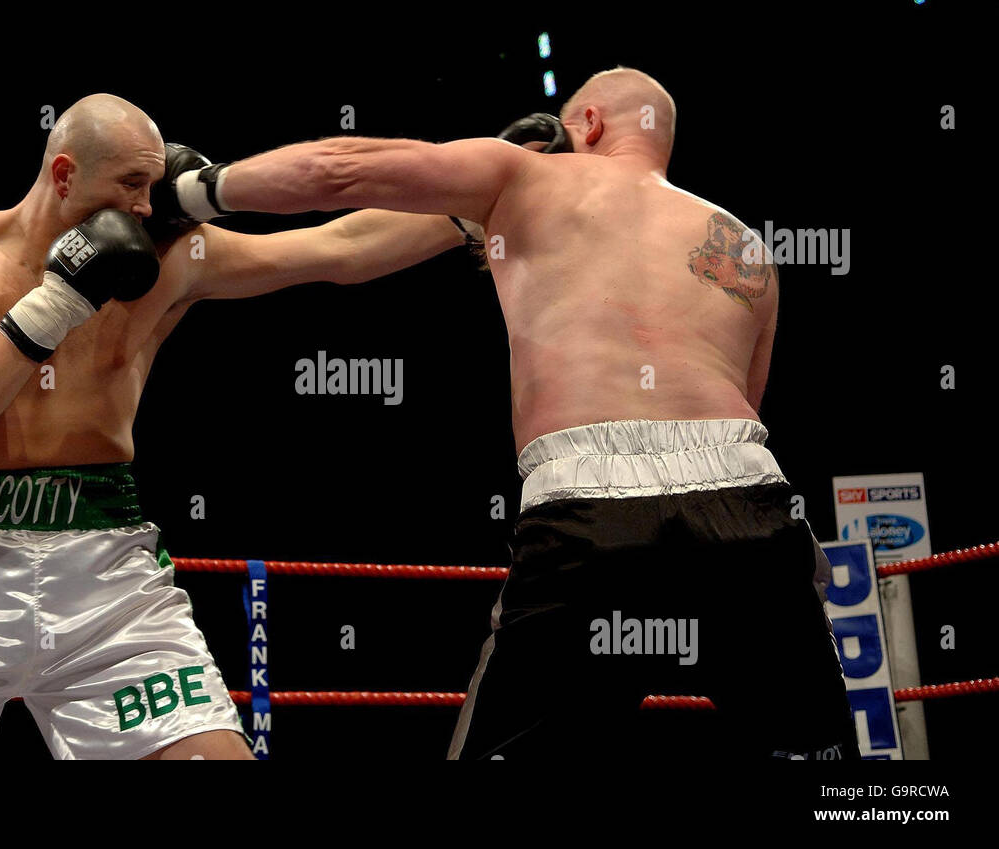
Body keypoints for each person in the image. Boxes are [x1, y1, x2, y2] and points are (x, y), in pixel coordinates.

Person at [160, 68, 861, 760]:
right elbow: (748, 408)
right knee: (835, 776)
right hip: (747, 505)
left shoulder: (521, 174)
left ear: (583, 124)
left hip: (589, 513)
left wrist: (197, 192)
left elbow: (339, 167)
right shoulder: (746, 247)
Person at [0, 94, 466, 759]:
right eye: (130, 184)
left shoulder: (169, 260)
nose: (144, 206)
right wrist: (56, 302)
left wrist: (472, 208)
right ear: (65, 174)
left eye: (153, 185)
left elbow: (340, 247)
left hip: (104, 573)